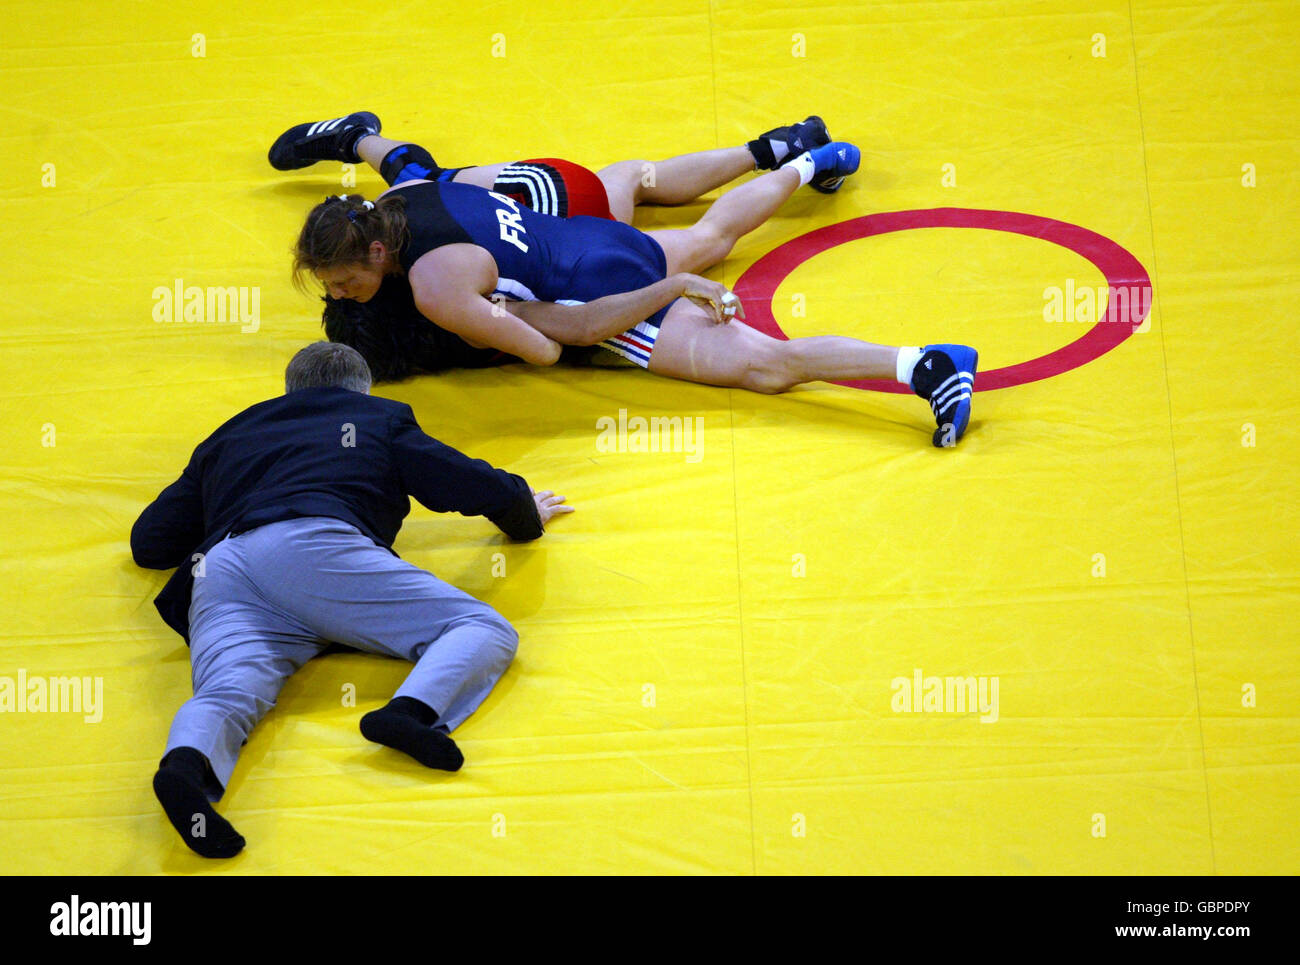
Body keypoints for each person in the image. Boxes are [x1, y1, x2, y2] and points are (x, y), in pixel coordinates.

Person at [285, 115, 977, 446]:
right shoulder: (415, 195)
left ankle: (926, 366)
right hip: (594, 237)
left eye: (344, 283)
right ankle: (806, 164)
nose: (339, 296)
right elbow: (496, 189)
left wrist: (666, 295)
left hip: (603, 297)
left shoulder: (436, 290)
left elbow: (561, 342)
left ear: (377, 253)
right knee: (708, 237)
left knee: (766, 366)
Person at [131, 342, 572, 858]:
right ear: (362, 388)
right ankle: (410, 714)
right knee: (480, 627)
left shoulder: (232, 432)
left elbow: (150, 544)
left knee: (228, 690)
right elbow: (464, 480)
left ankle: (186, 766)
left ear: (290, 389)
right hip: (311, 550)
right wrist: (523, 515)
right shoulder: (375, 416)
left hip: (218, 572)